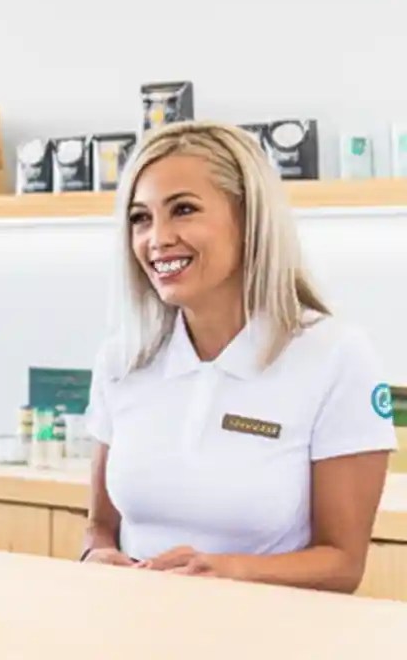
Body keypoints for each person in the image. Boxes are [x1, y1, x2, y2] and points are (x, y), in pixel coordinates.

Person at [80, 120, 397, 592]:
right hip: (134, 627)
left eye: (182, 210)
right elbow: (100, 524)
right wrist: (95, 553)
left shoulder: (335, 356)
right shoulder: (122, 360)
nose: (157, 238)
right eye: (140, 218)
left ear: (249, 220)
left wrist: (228, 570)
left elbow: (342, 564)